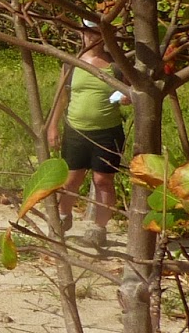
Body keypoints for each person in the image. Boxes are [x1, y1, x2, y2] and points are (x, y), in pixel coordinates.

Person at [46, 23, 131, 244]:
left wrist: (126, 98)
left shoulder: (117, 65)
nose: (89, 37)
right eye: (86, 32)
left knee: (103, 180)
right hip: (75, 131)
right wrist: (53, 126)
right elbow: (61, 98)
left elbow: (130, 93)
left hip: (107, 132)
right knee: (70, 179)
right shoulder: (71, 65)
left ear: (104, 36)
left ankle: (98, 228)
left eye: (95, 32)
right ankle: (63, 218)